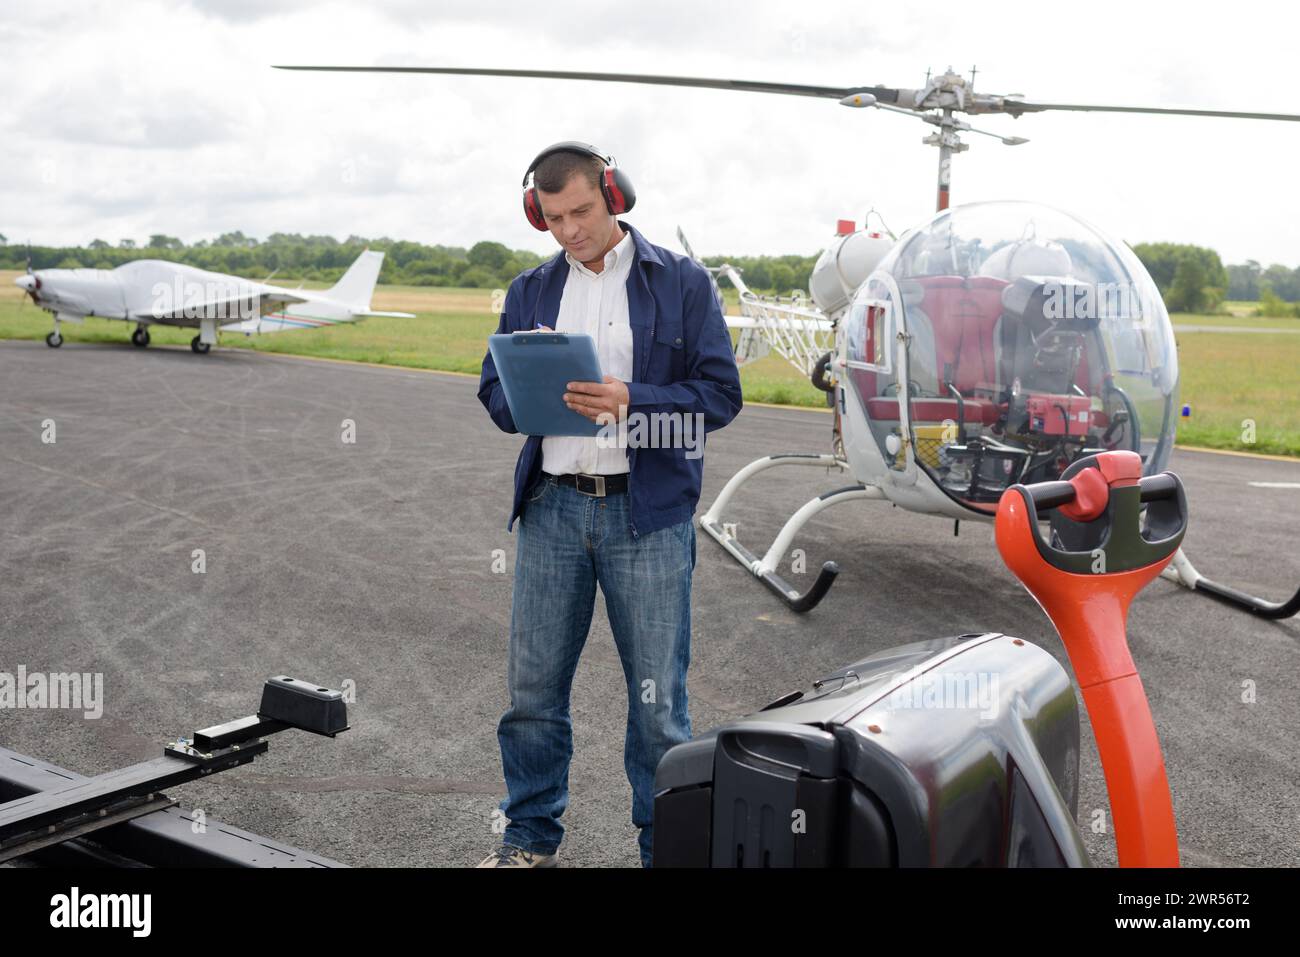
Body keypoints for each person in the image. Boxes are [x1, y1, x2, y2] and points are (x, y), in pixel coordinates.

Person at [476, 141, 742, 867]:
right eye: (554, 217)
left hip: (646, 518)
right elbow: (493, 395)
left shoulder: (682, 283)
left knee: (659, 706)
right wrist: (529, 396)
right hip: (553, 511)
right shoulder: (531, 288)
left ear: (614, 195)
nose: (569, 230)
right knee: (531, 694)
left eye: (582, 211)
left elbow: (719, 399)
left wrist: (632, 403)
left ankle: (665, 848)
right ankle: (529, 840)